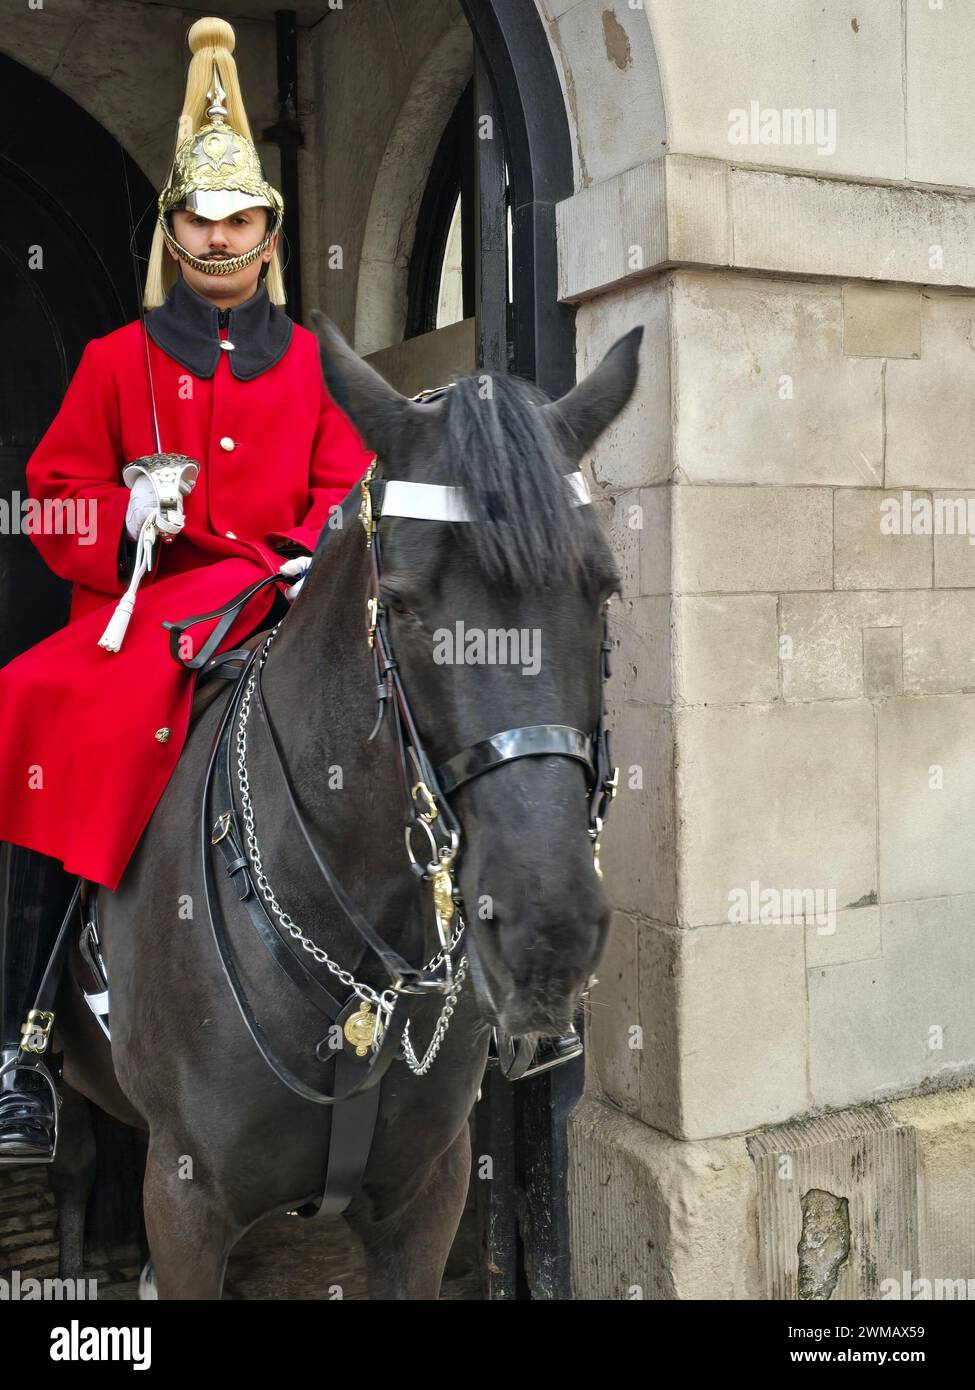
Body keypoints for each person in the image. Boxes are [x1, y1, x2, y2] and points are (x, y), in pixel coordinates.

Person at [0, 16, 373, 1160]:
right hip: (144, 608)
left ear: (269, 232)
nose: (220, 238)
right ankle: (22, 1035)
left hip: (277, 601)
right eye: (201, 220)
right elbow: (49, 497)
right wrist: (122, 516)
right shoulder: (116, 360)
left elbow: (350, 483)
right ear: (175, 230)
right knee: (26, 703)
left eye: (241, 219)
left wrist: (315, 546)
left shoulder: (312, 361)